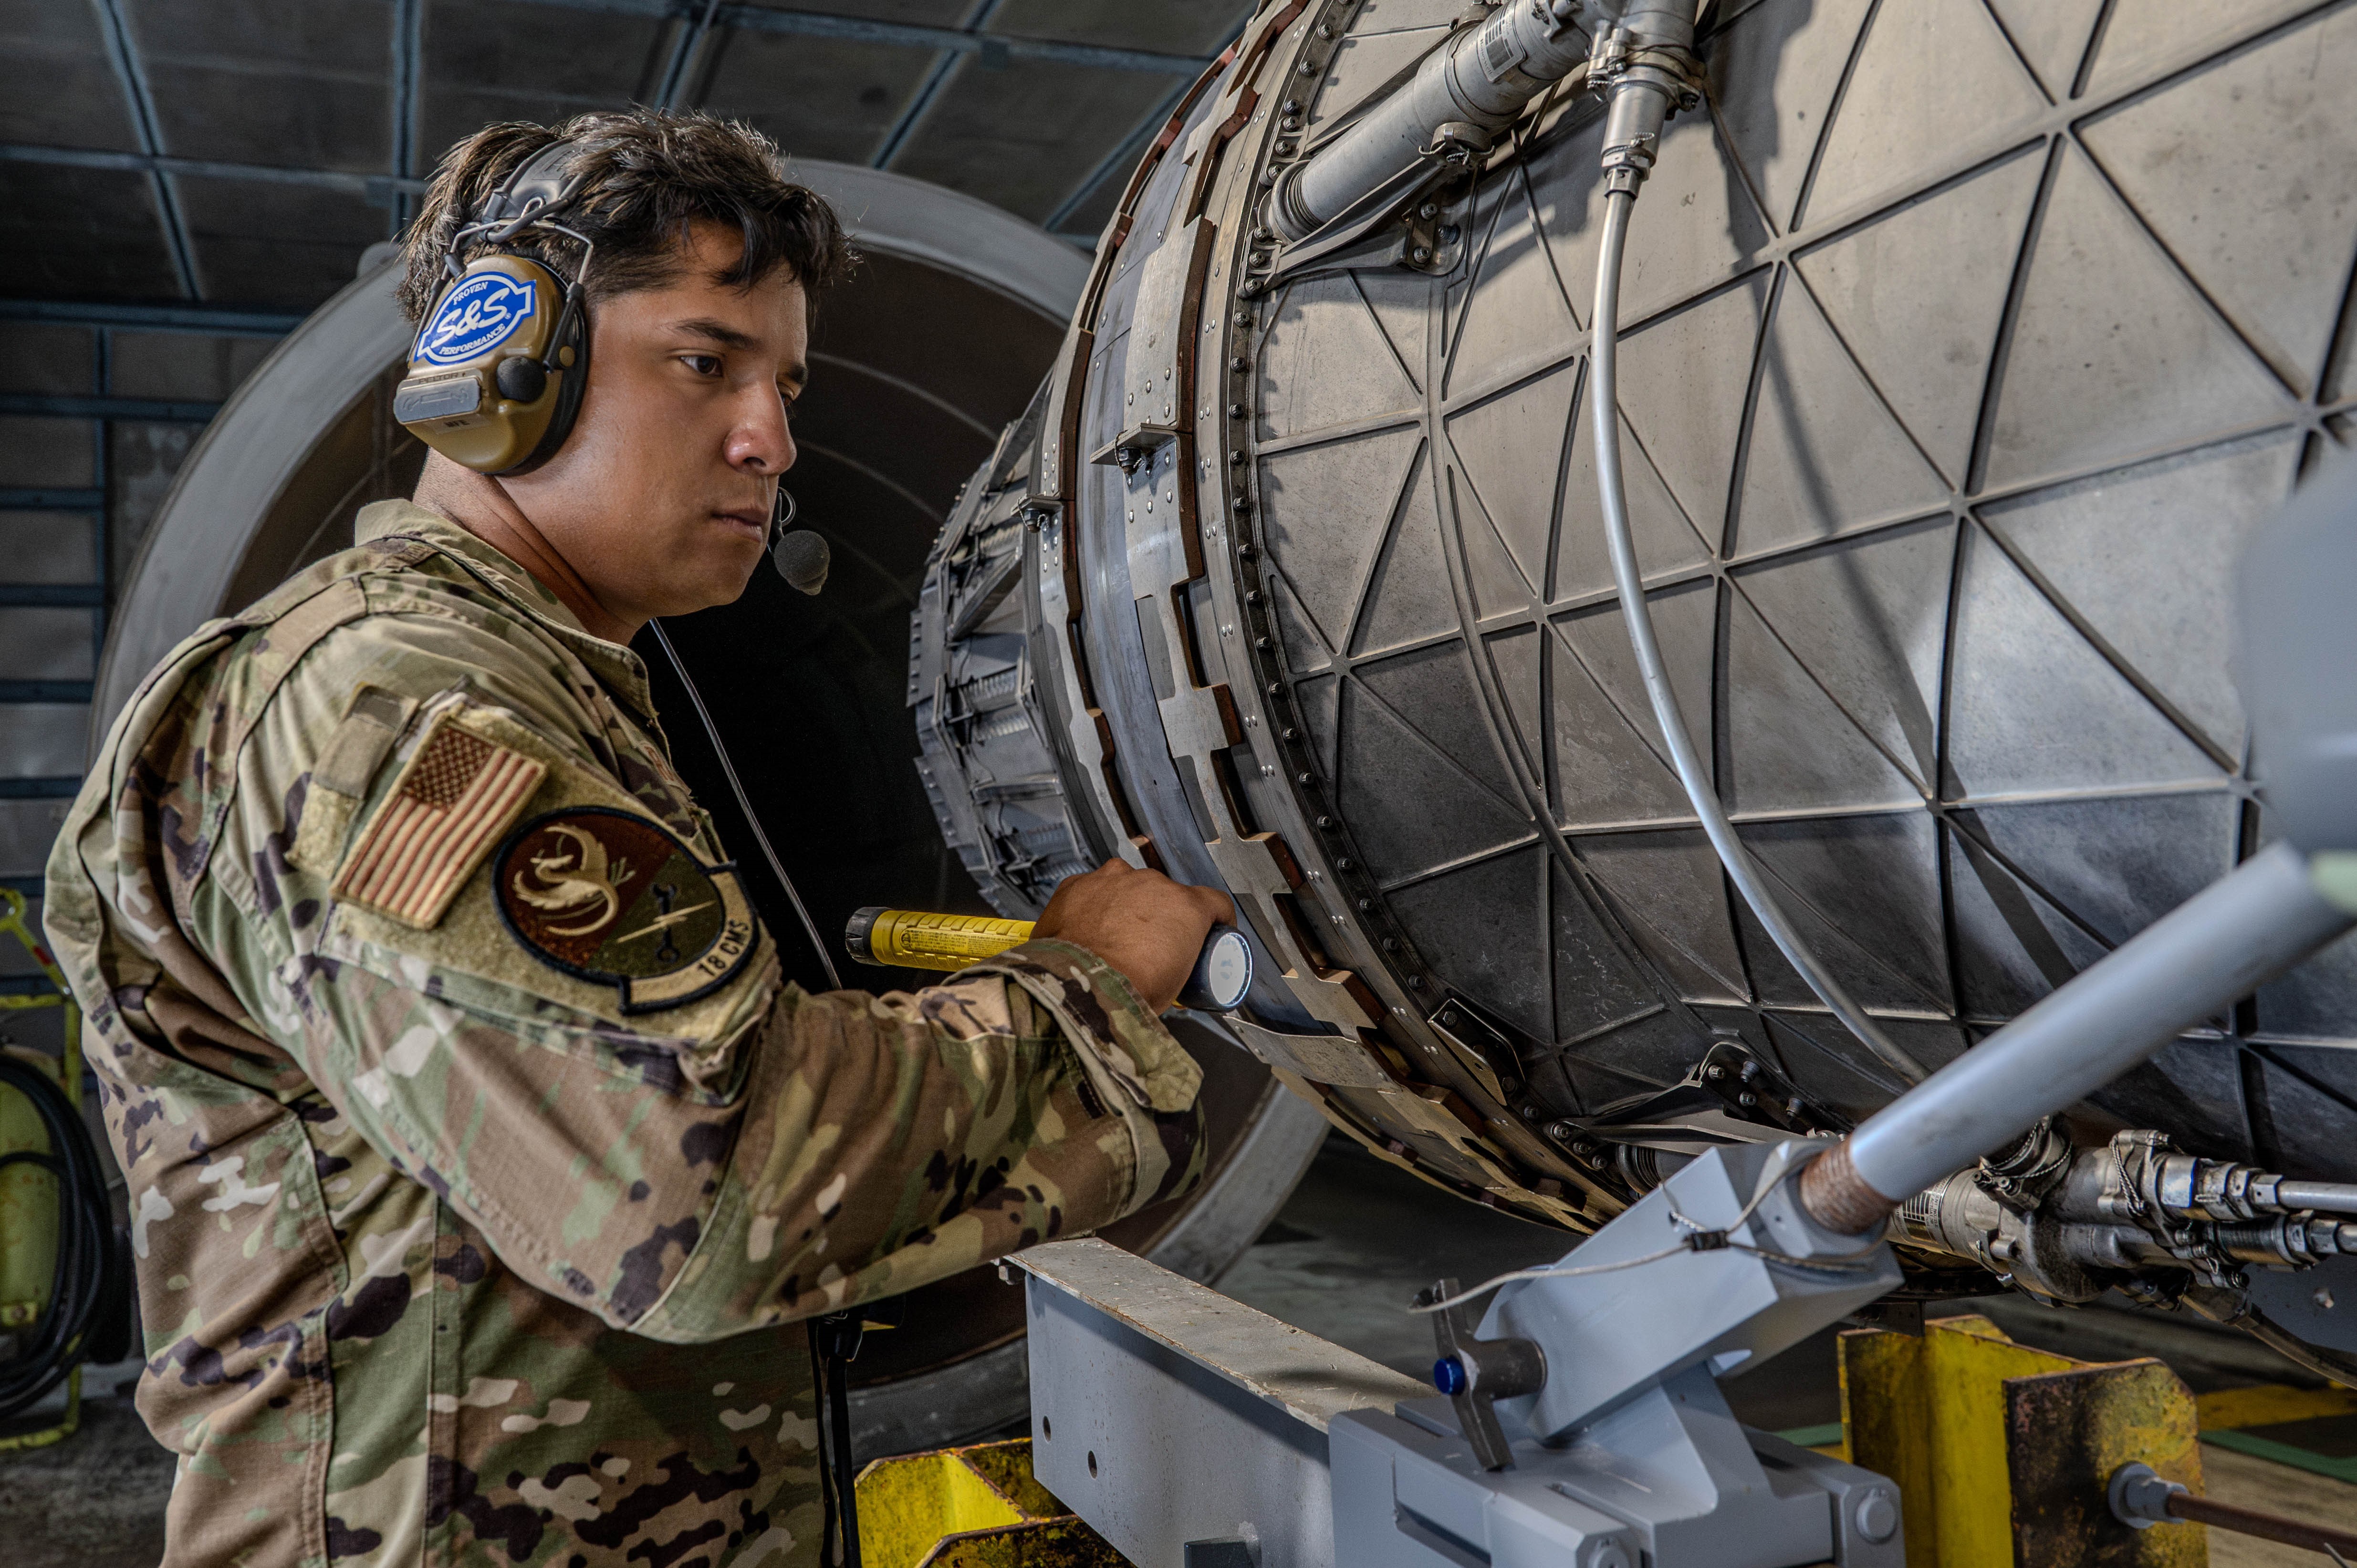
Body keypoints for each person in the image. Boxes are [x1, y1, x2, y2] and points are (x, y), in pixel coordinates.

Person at [44, 108, 1231, 1568]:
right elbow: (702, 1192)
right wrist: (1083, 992)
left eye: (783, 384)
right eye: (703, 362)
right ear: (496, 371)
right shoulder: (401, 707)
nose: (771, 440)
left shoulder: (532, 688)